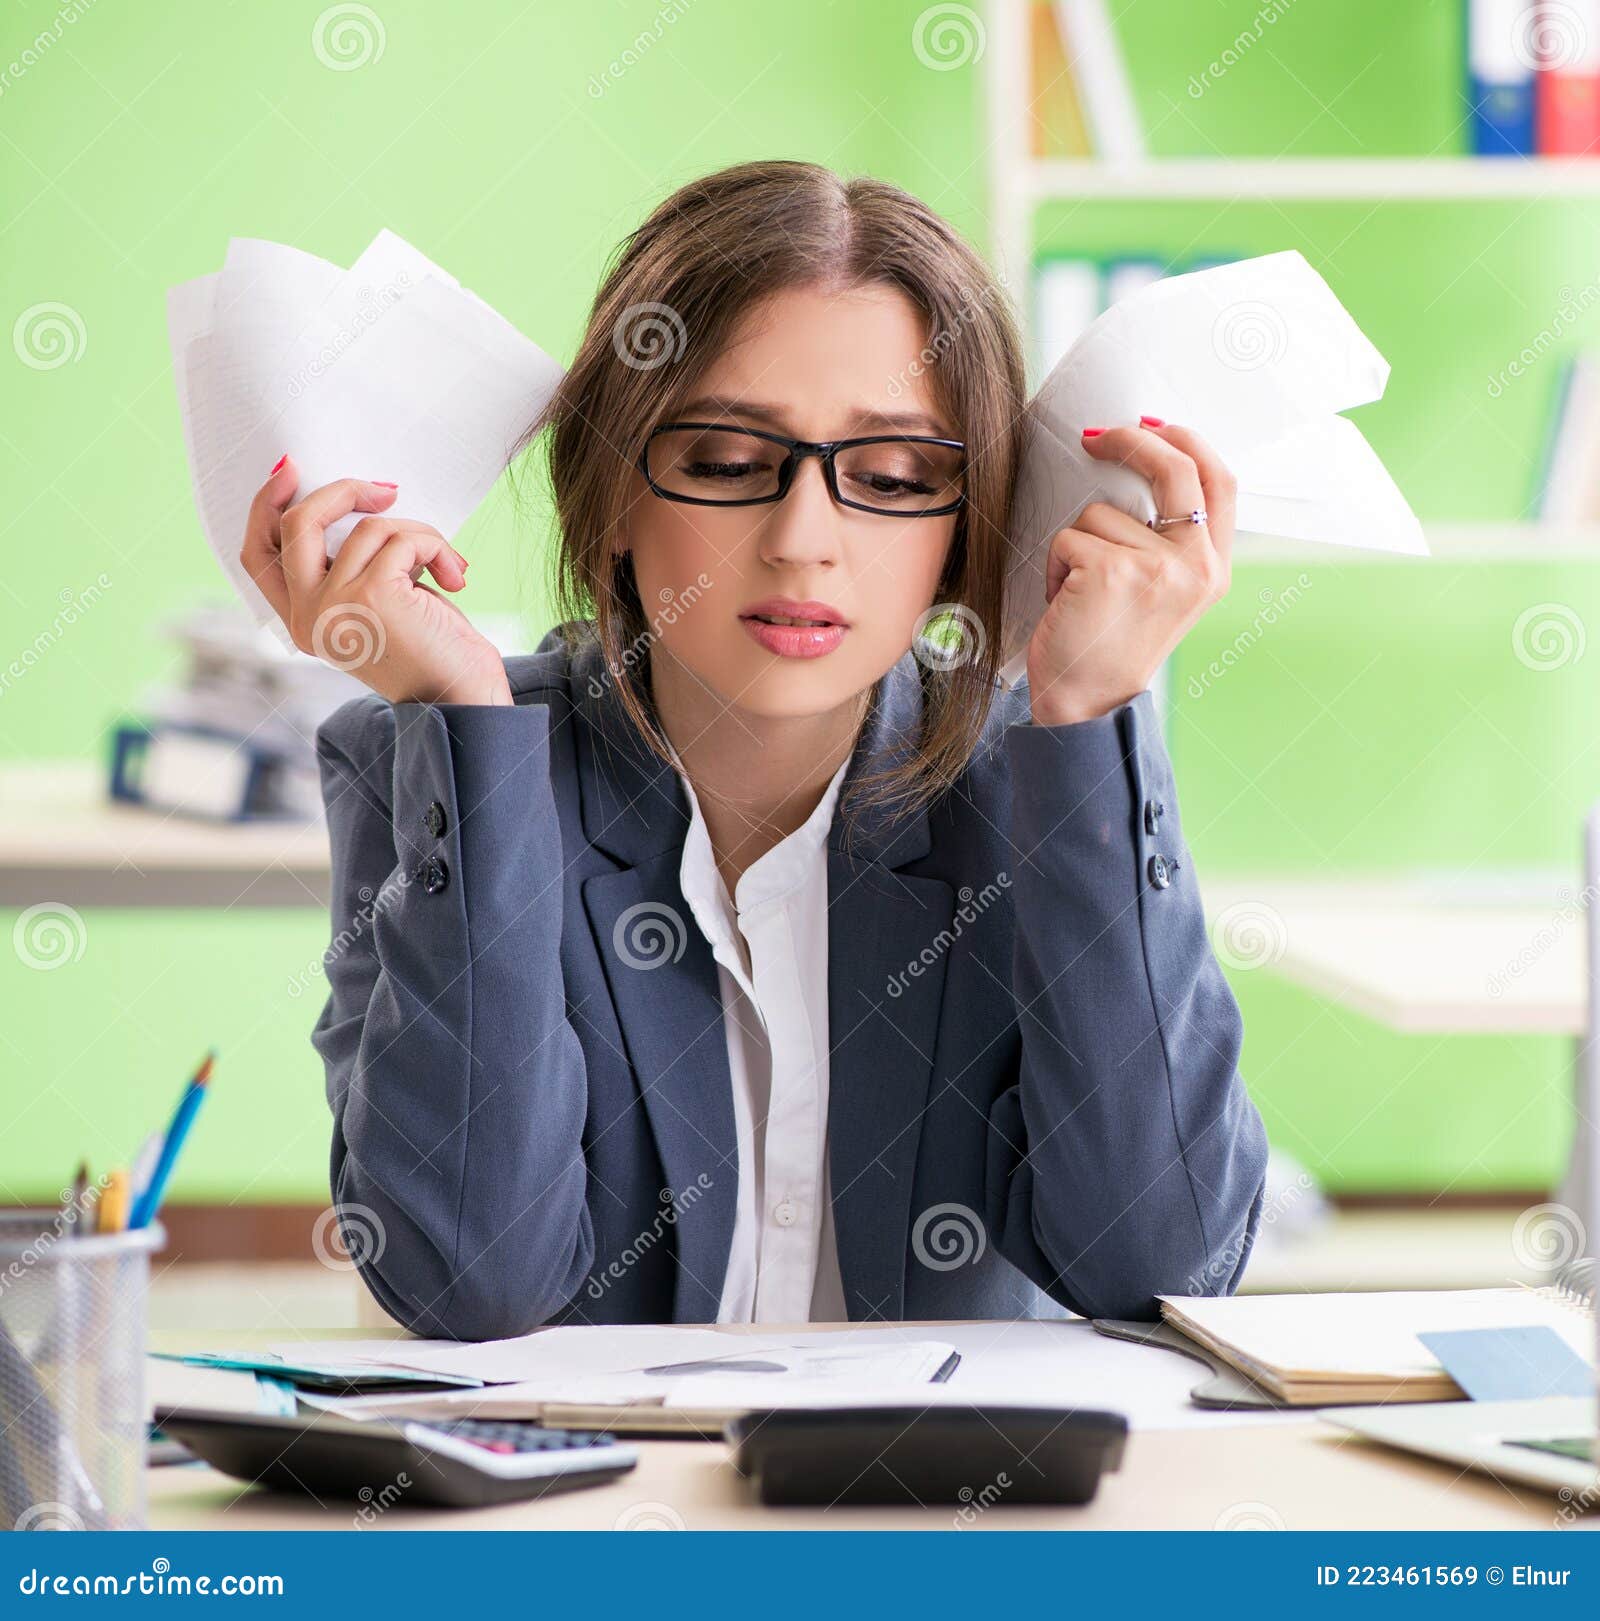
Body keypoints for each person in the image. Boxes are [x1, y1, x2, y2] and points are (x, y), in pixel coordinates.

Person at [240, 159, 1268, 1340]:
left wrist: (1093, 715)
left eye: (890, 476)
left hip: (947, 1515)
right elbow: (471, 1278)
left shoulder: (1035, 773)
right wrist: (461, 718)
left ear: (961, 527)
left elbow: (1158, 1259)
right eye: (726, 463)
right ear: (613, 496)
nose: (803, 540)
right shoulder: (433, 763)